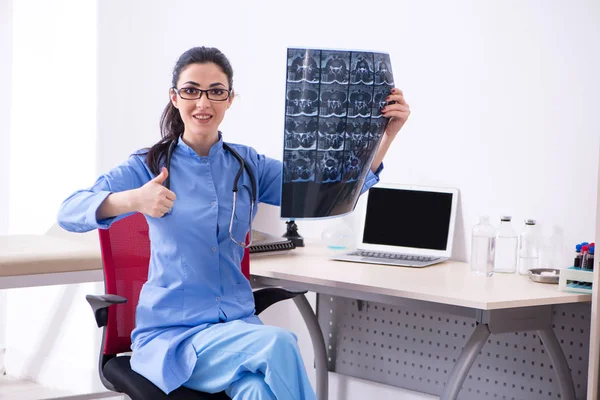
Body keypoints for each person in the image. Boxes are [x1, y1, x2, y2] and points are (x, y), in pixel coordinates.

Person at [57, 46, 411, 399]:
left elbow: (328, 194)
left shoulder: (248, 164)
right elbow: (70, 211)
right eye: (192, 91)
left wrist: (385, 136)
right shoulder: (149, 165)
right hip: (176, 338)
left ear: (229, 99)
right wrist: (133, 199)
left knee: (258, 390)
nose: (203, 103)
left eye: (216, 92)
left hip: (237, 330)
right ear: (175, 97)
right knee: (280, 344)